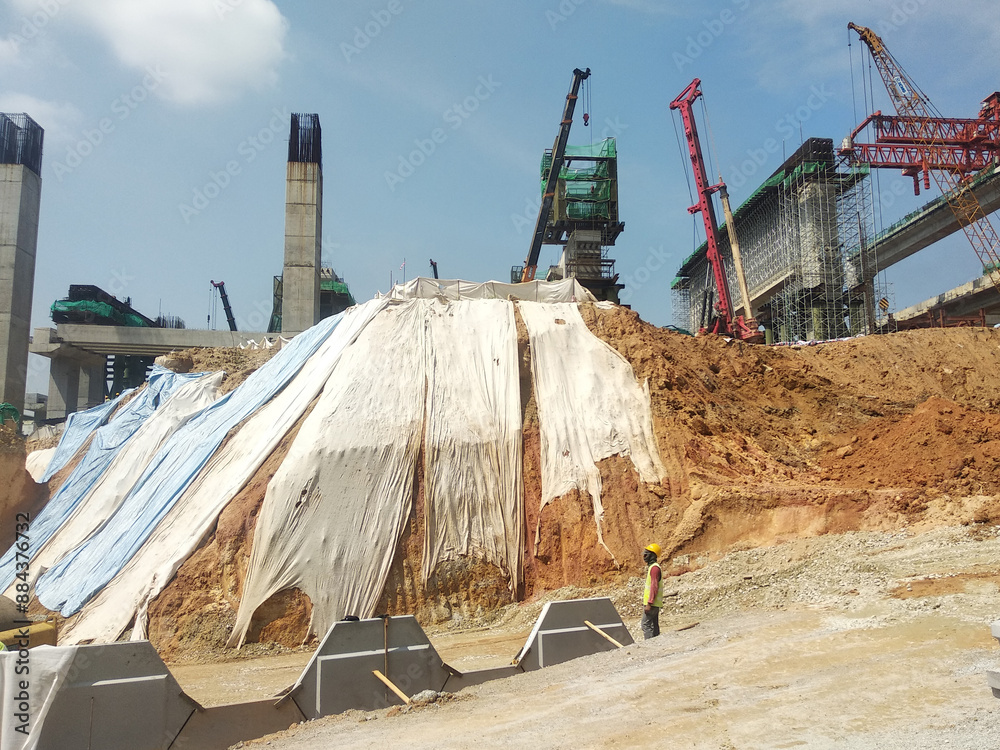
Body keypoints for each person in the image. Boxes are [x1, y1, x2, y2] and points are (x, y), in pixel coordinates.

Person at [641, 542, 664, 639]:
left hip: (652, 604)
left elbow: (654, 586)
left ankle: (650, 646)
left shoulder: (654, 568)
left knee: (645, 625)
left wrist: (649, 603)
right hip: (655, 604)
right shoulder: (654, 568)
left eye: (646, 554)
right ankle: (657, 644)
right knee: (654, 626)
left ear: (653, 555)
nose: (644, 556)